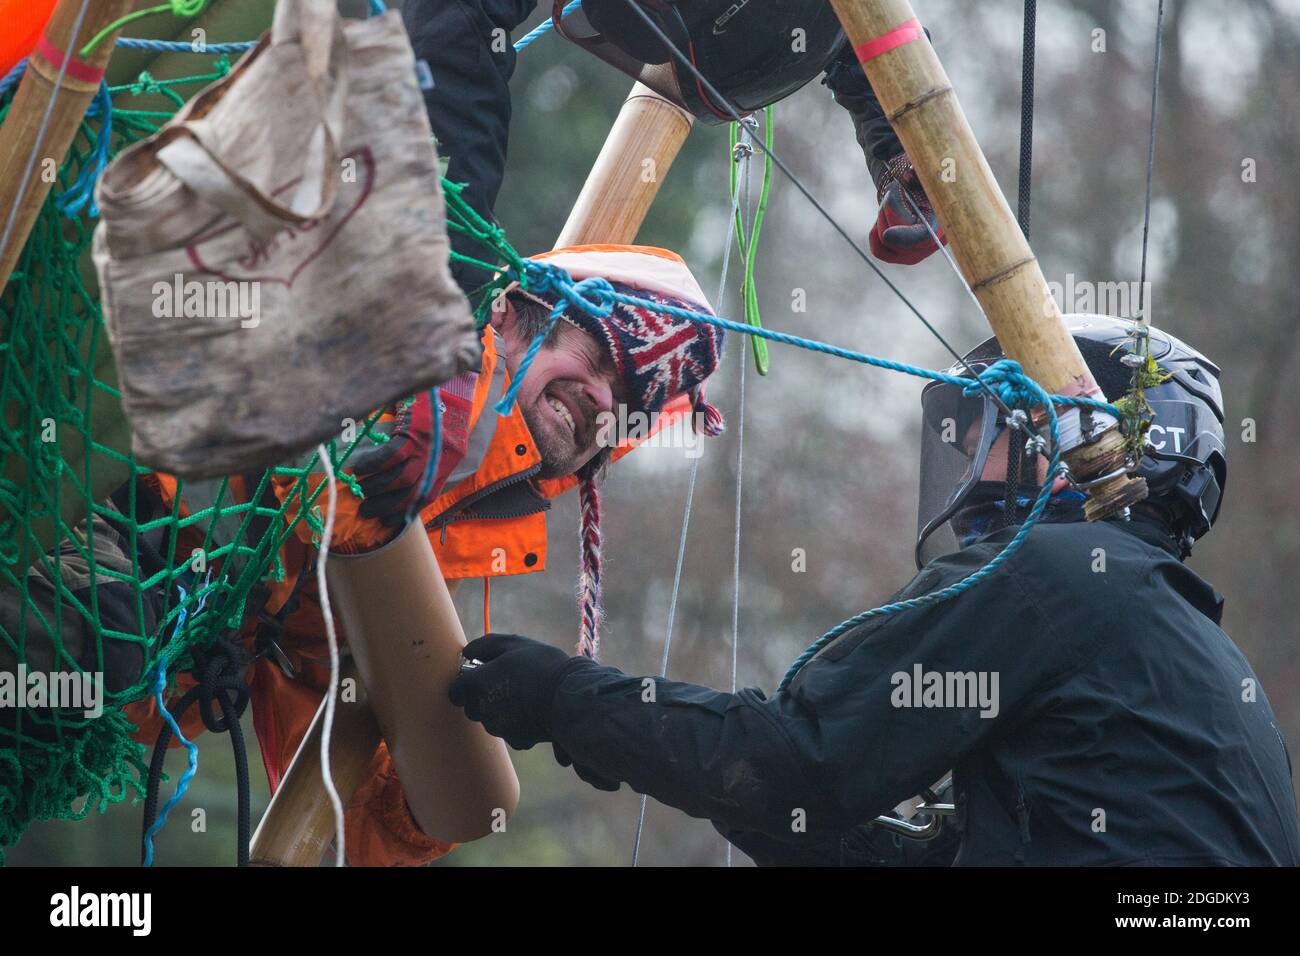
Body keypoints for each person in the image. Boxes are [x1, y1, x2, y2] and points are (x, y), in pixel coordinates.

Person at [449, 315, 1300, 866]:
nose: (969, 462)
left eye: (994, 431)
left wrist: (563, 699)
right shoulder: (1183, 650)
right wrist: (645, 747)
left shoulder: (1058, 578)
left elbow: (796, 764)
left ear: (1076, 443)